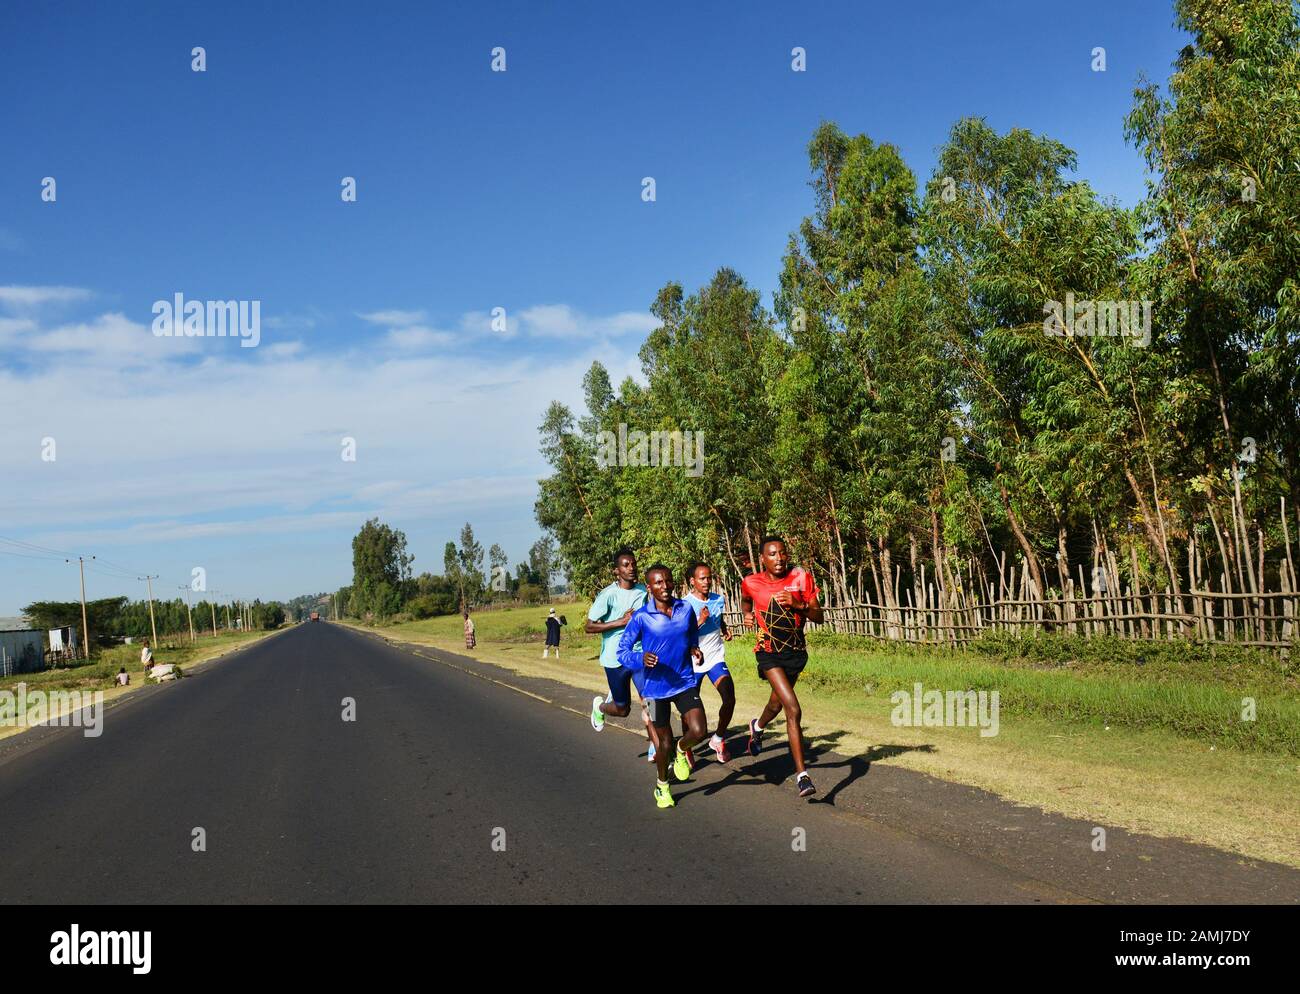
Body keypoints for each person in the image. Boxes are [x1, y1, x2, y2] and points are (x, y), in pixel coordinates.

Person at [617, 564, 707, 809]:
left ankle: (681, 749)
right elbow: (622, 652)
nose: (665, 586)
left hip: (684, 681)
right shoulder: (641, 617)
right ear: (649, 587)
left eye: (668, 581)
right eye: (658, 583)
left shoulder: (685, 608)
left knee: (699, 731)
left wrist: (693, 648)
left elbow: (690, 635)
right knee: (663, 744)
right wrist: (641, 658)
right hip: (655, 690)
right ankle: (662, 786)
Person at [740, 535, 824, 799]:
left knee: (776, 705)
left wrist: (798, 605)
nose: (779, 558)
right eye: (772, 554)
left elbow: (819, 616)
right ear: (763, 559)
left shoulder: (801, 578)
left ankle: (758, 726)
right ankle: (802, 776)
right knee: (793, 708)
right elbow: (746, 598)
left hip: (796, 654)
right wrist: (746, 614)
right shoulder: (751, 582)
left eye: (782, 553)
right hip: (768, 653)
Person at [586, 547, 656, 758]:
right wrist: (621, 622)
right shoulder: (608, 595)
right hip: (614, 659)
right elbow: (589, 626)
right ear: (616, 571)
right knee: (623, 709)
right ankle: (600, 708)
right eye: (626, 565)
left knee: (650, 700)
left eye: (633, 564)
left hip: (637, 654)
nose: (631, 568)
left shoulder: (643, 591)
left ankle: (656, 744)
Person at [683, 562, 735, 763]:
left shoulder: (718, 599)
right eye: (702, 578)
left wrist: (724, 629)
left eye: (709, 577)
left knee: (729, 698)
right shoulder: (685, 605)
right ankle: (686, 747)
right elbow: (681, 634)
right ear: (692, 581)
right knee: (689, 709)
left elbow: (718, 618)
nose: (707, 581)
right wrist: (700, 621)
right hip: (692, 661)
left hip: (714, 657)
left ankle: (718, 738)